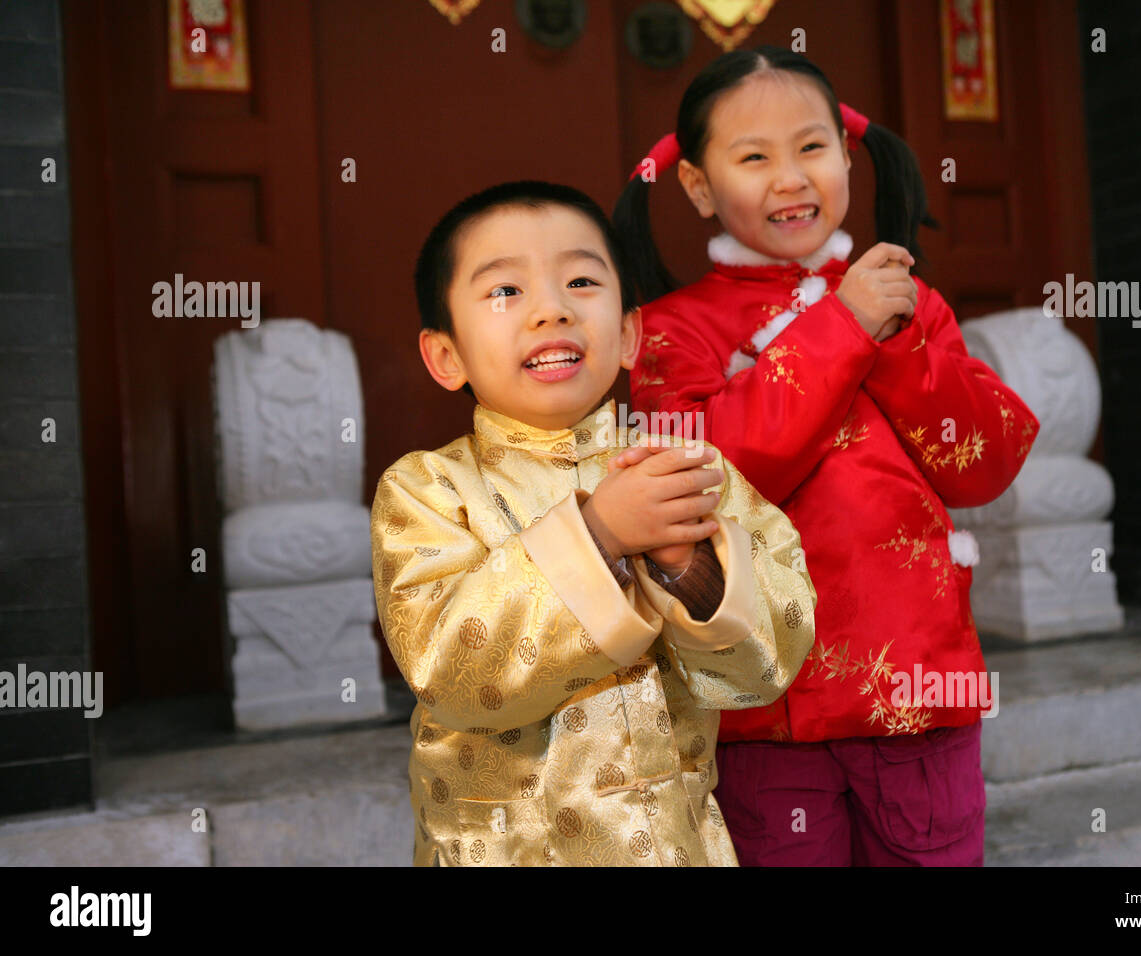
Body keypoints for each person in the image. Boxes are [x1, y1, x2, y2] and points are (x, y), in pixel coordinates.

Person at [612, 46, 1041, 866]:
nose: (790, 177)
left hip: (919, 687)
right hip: (765, 708)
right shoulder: (672, 329)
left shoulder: (906, 297)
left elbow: (981, 462)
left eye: (811, 147)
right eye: (753, 157)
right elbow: (712, 477)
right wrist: (839, 330)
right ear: (699, 187)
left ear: (848, 155)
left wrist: (895, 335)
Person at [371, 179, 817, 866]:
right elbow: (452, 672)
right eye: (505, 292)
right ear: (445, 356)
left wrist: (687, 567)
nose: (551, 310)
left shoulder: (687, 470)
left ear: (632, 334)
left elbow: (768, 665)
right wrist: (599, 535)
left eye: (581, 281)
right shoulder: (428, 491)